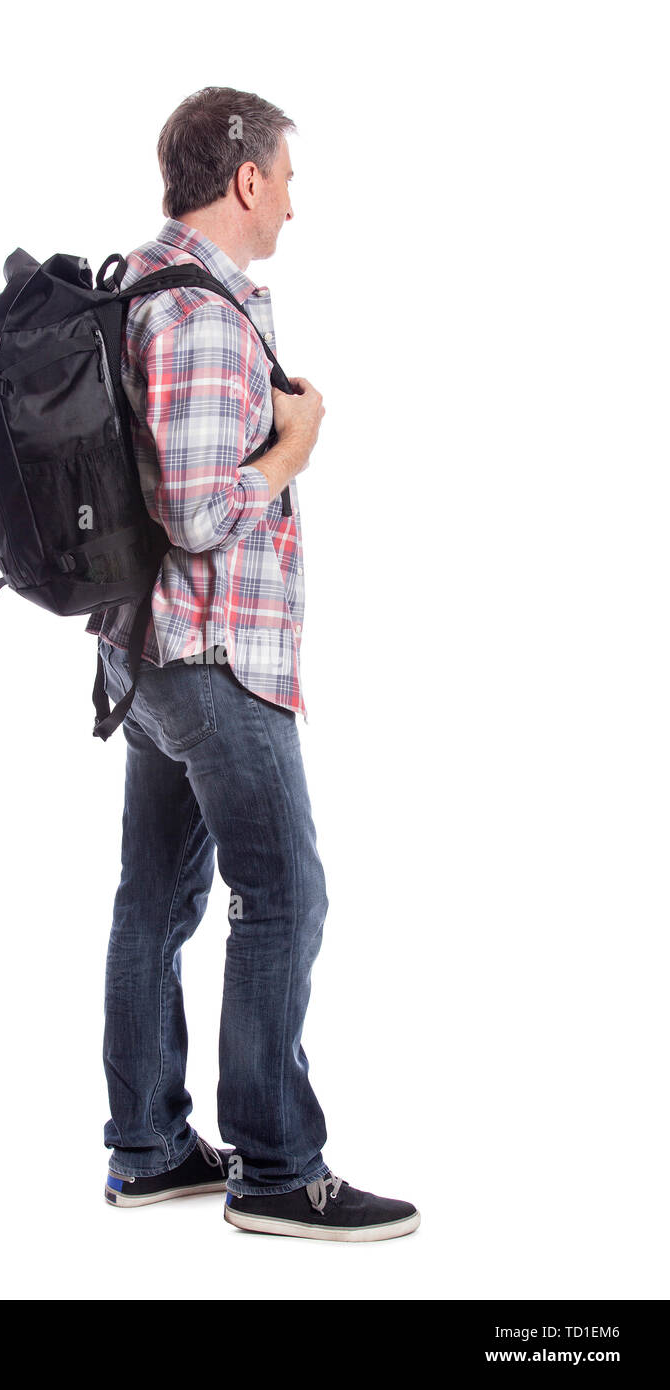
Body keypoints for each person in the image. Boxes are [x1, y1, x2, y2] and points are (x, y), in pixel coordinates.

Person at [88, 86, 420, 1242]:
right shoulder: (200, 315)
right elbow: (191, 510)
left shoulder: (140, 284)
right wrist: (294, 447)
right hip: (215, 652)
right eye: (283, 174)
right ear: (243, 179)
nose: (291, 198)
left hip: (149, 657)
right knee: (283, 893)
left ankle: (149, 1148)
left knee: (157, 899)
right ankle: (278, 1166)